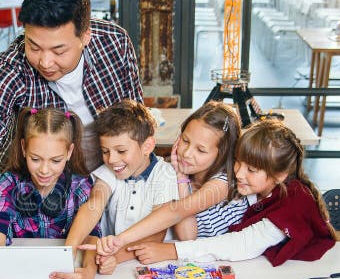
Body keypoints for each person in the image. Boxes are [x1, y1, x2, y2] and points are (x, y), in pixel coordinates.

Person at [0, 0, 143, 255]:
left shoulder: (113, 44)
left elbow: (136, 119)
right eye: (34, 46)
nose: (45, 61)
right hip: (43, 204)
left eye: (58, 51)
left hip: (112, 183)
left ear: (85, 36)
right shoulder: (10, 68)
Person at [119, 119, 336, 267]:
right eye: (239, 163)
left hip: (299, 276)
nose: (239, 173)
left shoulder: (294, 201)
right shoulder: (258, 188)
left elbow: (240, 245)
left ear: (279, 175)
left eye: (251, 169)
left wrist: (171, 251)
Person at [93, 101, 249, 265]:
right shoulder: (176, 172)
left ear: (222, 155)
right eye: (185, 140)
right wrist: (181, 178)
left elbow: (184, 230)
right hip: (195, 258)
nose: (187, 153)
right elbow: (185, 234)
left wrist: (120, 240)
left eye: (201, 150)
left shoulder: (222, 184)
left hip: (230, 261)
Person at [0, 107, 100, 279]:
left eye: (55, 161)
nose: (45, 170)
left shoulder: (81, 185)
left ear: (70, 152)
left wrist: (88, 273)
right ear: (24, 148)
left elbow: (92, 235)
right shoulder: (10, 182)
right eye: (36, 159)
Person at [66, 100, 178, 274]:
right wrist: (68, 250)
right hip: (111, 262)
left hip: (150, 264)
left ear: (147, 146)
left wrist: (115, 257)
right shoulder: (109, 172)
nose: (111, 159)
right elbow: (93, 206)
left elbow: (157, 233)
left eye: (121, 151)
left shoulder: (164, 174)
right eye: (105, 151)